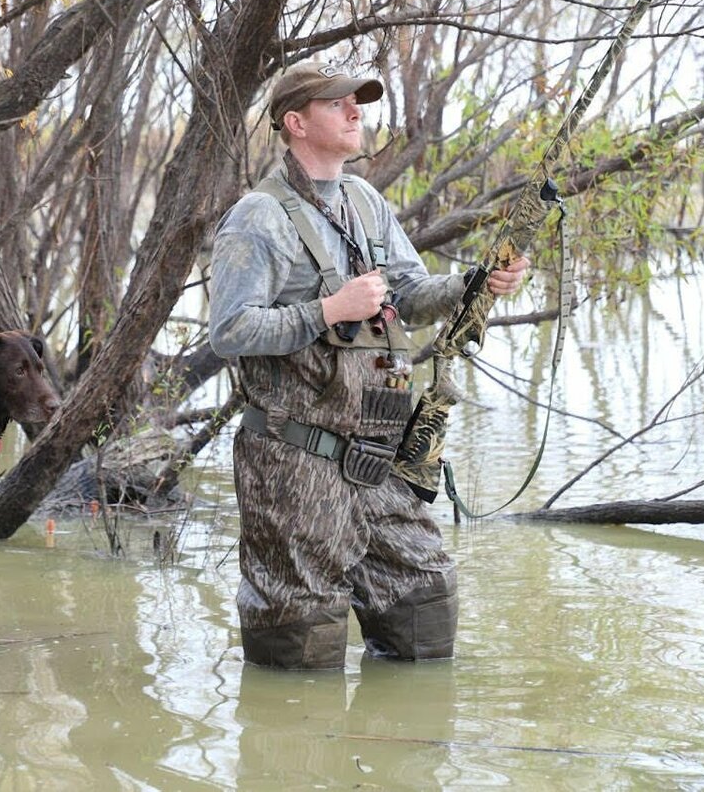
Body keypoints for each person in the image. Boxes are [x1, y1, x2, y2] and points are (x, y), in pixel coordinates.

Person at [208, 60, 529, 669]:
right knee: (301, 653)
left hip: (380, 459)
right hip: (295, 463)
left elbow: (409, 291)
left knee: (426, 616)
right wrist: (329, 309)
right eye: (338, 103)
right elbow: (229, 330)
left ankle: (394, 754)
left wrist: (475, 282)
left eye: (358, 101)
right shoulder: (258, 217)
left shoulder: (364, 201)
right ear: (296, 122)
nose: (356, 111)